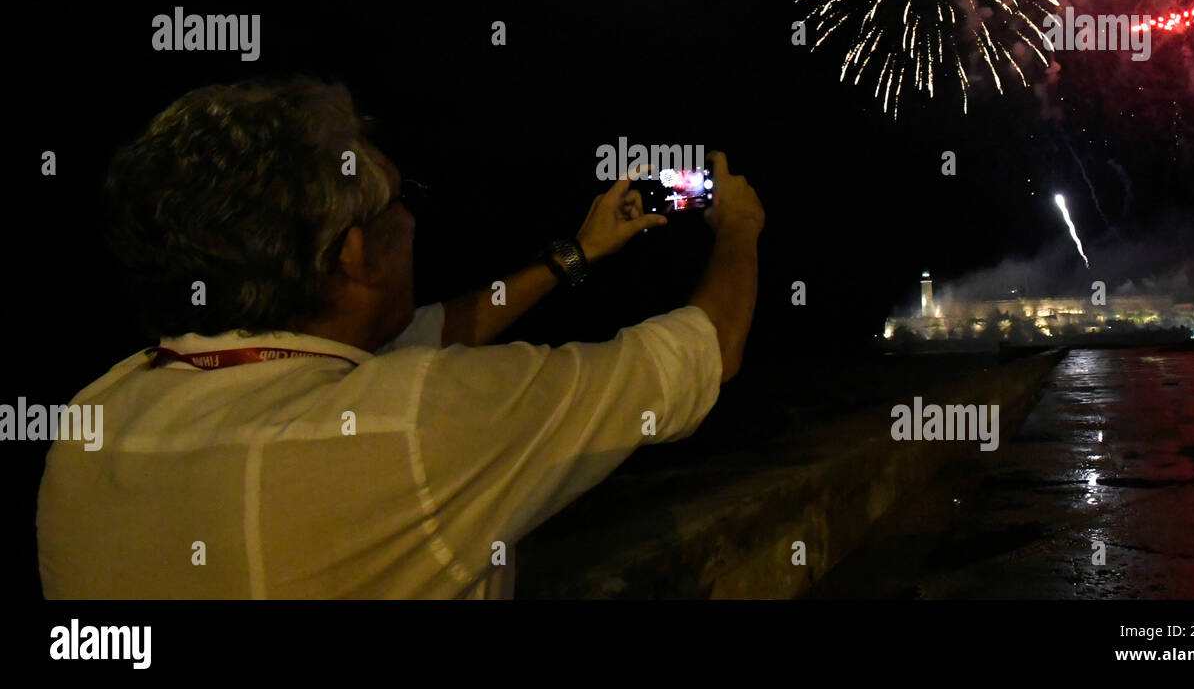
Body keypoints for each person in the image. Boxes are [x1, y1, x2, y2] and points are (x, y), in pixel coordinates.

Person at [36, 77, 763, 598]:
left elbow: (433, 333)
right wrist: (738, 230)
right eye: (399, 201)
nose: (413, 221)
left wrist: (574, 256)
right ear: (354, 253)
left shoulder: (93, 421)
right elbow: (705, 352)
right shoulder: (416, 426)